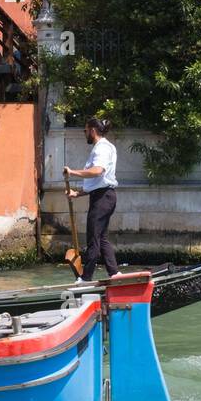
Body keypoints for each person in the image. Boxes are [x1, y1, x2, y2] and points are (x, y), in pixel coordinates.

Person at [63, 116, 118, 281]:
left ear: (92, 130)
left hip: (103, 198)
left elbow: (97, 171)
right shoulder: (103, 147)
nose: (85, 133)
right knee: (101, 238)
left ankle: (86, 278)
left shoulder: (102, 148)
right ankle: (115, 274)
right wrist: (77, 193)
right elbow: (97, 182)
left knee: (93, 238)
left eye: (85, 130)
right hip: (103, 196)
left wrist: (72, 172)